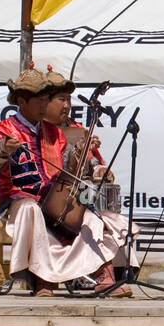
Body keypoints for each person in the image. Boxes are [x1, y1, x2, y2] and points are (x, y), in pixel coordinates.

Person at [0, 66, 127, 296]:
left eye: (45, 100)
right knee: (31, 210)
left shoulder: (53, 132)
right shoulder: (3, 128)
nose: (43, 105)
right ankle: (41, 280)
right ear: (22, 101)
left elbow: (67, 171)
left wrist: (81, 154)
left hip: (51, 201)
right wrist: (2, 149)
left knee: (91, 215)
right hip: (21, 203)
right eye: (39, 100)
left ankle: (104, 276)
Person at [42, 68, 131, 294]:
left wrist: (99, 169)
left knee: (110, 215)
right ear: (44, 102)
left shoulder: (77, 129)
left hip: (77, 199)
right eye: (61, 99)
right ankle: (103, 274)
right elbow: (50, 170)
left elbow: (93, 163)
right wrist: (75, 155)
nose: (67, 105)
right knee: (93, 218)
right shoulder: (38, 131)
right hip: (48, 201)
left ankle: (113, 273)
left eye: (69, 100)